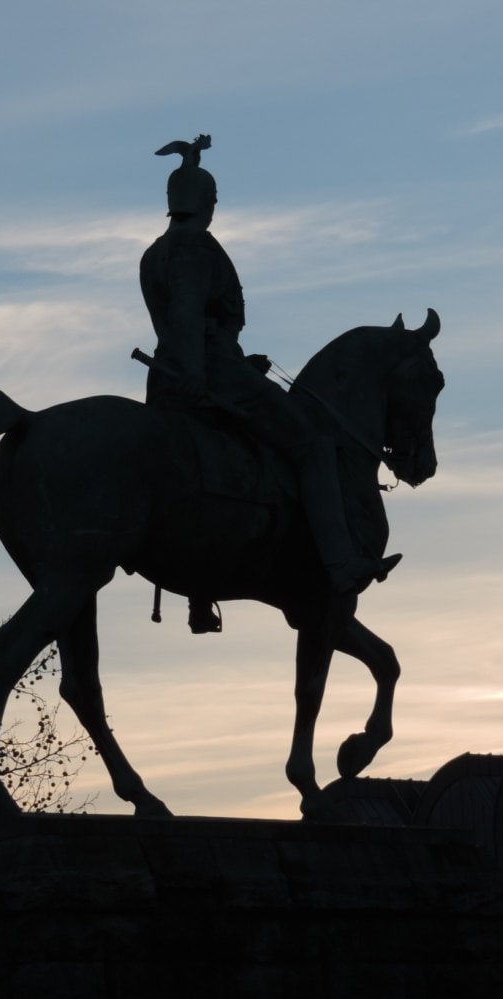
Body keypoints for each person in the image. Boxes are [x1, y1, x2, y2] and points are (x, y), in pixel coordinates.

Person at [140, 136, 398, 633]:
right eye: (212, 200)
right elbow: (189, 314)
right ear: (203, 202)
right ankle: (341, 563)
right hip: (208, 372)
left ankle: (201, 591)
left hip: (180, 371)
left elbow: (185, 322)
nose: (213, 208)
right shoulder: (196, 247)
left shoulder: (157, 251)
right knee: (315, 446)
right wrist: (202, 371)